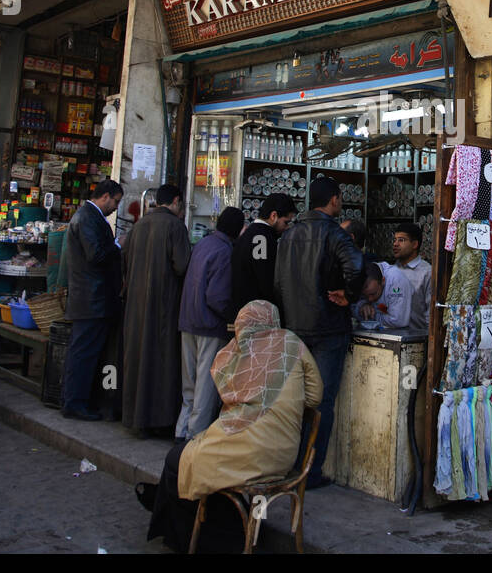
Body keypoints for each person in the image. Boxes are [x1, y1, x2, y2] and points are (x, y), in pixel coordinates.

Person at [141, 300, 322, 552]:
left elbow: (223, 386)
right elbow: (314, 397)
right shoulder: (293, 342)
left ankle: (195, 538)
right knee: (188, 460)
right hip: (283, 455)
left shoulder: (237, 352)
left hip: (248, 452)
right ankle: (227, 530)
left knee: (178, 460)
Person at [274, 176, 365, 487]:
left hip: (295, 328)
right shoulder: (334, 234)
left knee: (295, 399)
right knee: (321, 402)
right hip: (328, 328)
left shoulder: (289, 235)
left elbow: (278, 283)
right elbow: (356, 267)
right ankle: (310, 471)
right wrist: (349, 295)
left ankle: (288, 462)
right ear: (334, 200)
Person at [120, 184, 191, 436]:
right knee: (162, 361)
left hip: (136, 306)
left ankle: (135, 417)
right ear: (176, 201)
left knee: (137, 359)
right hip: (164, 305)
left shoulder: (139, 225)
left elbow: (124, 261)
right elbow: (182, 265)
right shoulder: (175, 227)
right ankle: (158, 421)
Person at [177, 206, 244, 441]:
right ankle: (195, 438)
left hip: (188, 321)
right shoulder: (225, 252)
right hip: (209, 325)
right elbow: (217, 297)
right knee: (205, 388)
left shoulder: (203, 244)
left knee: (189, 385)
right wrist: (232, 316)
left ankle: (181, 431)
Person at [61, 180, 125, 421]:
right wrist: (117, 245)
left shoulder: (88, 217)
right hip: (91, 299)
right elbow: (96, 255)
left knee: (86, 352)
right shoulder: (87, 218)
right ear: (105, 196)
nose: (116, 207)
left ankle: (80, 400)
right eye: (115, 202)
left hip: (92, 297)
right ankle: (75, 402)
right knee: (84, 353)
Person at [231, 193, 295, 313]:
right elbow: (265, 279)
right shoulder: (261, 238)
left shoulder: (252, 233)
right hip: (256, 313)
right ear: (273, 216)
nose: (286, 228)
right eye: (286, 222)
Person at [390, 222, 431, 329]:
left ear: (414, 244)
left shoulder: (426, 272)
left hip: (417, 334)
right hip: (392, 333)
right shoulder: (391, 271)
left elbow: (431, 312)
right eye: (395, 240)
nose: (395, 244)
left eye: (401, 240)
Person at [352, 260, 413, 330]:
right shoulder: (366, 277)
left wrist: (372, 315)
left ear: (383, 281)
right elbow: (353, 307)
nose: (370, 299)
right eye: (365, 296)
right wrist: (363, 305)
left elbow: (398, 320)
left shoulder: (396, 280)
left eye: (373, 294)